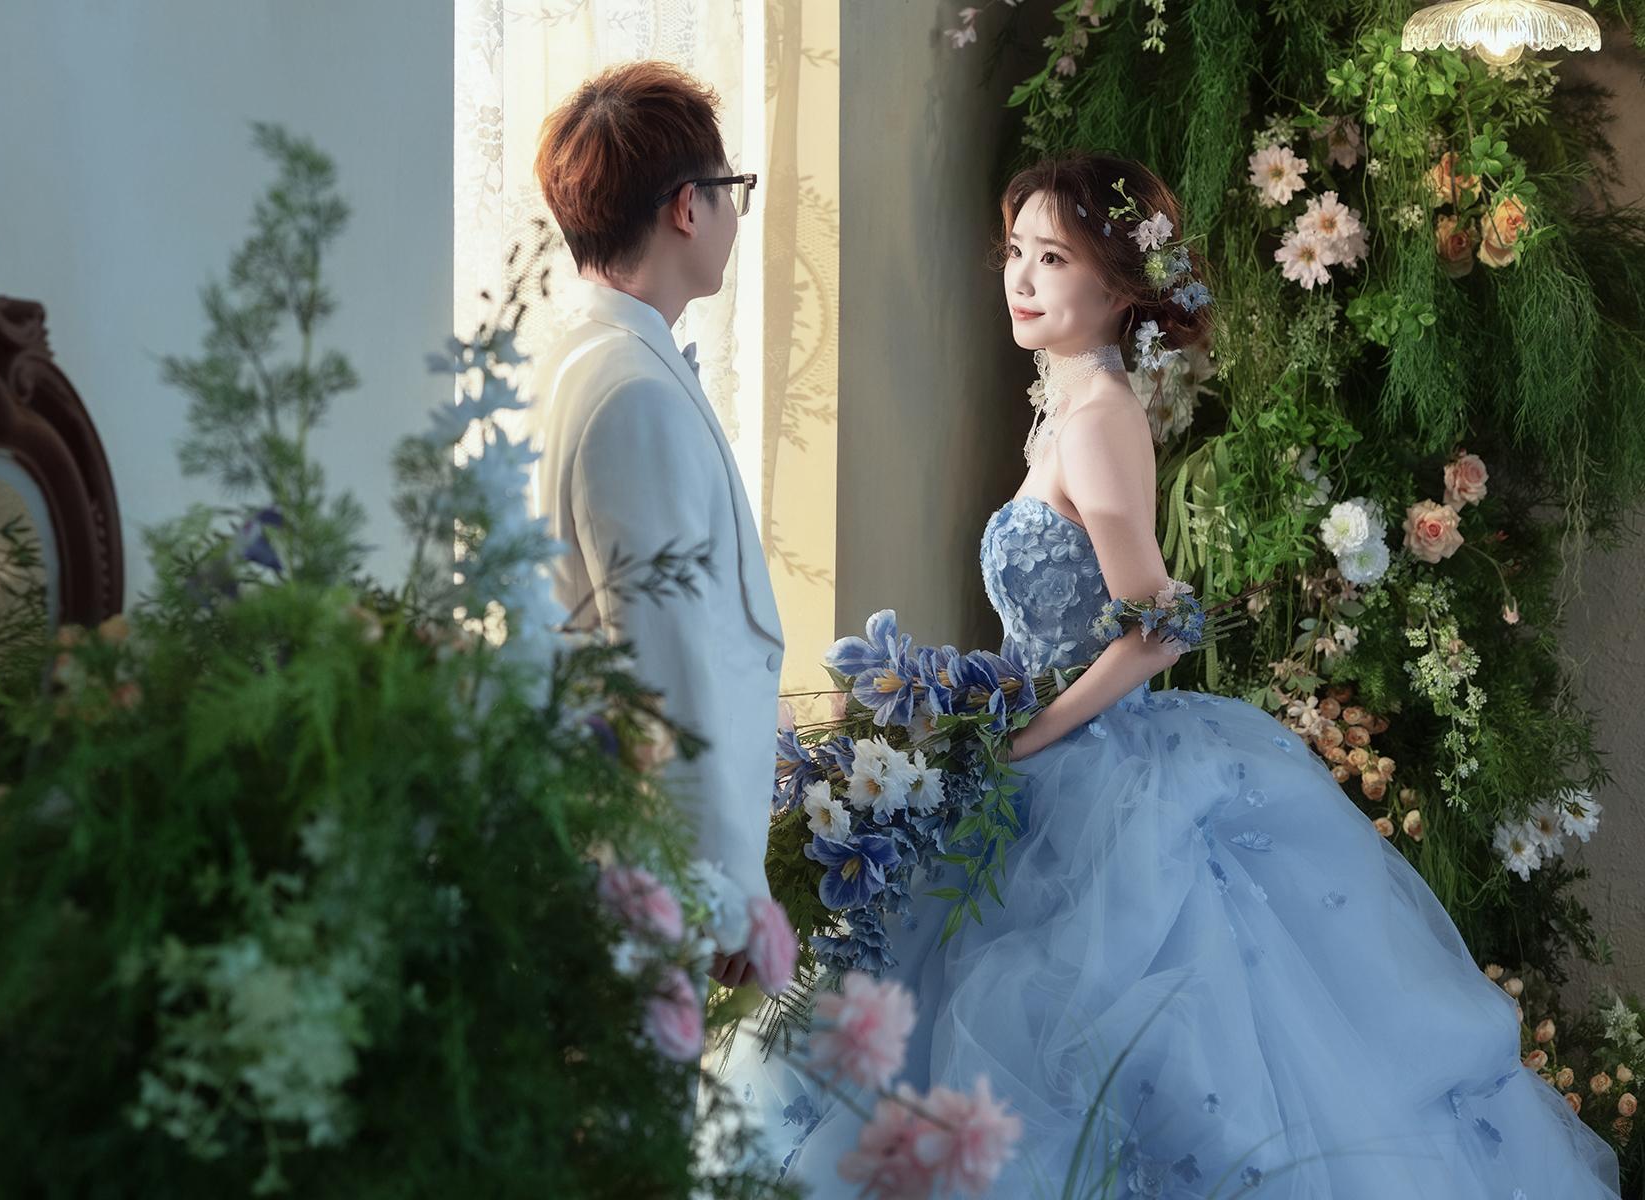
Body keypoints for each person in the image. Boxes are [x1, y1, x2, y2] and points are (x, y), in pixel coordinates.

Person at [725, 153, 1621, 1198]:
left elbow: (1160, 627)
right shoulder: (1064, 408)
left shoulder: (1099, 419)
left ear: (1118, 286)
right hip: (1046, 748)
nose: (1022, 278)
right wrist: (975, 710)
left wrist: (1027, 733)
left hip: (1089, 768)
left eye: (1054, 258)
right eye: (1015, 251)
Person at [531, 62, 780, 988]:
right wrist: (725, 894)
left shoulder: (591, 357)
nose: (733, 217)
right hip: (645, 865)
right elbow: (664, 661)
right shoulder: (633, 390)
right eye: (731, 191)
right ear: (686, 207)